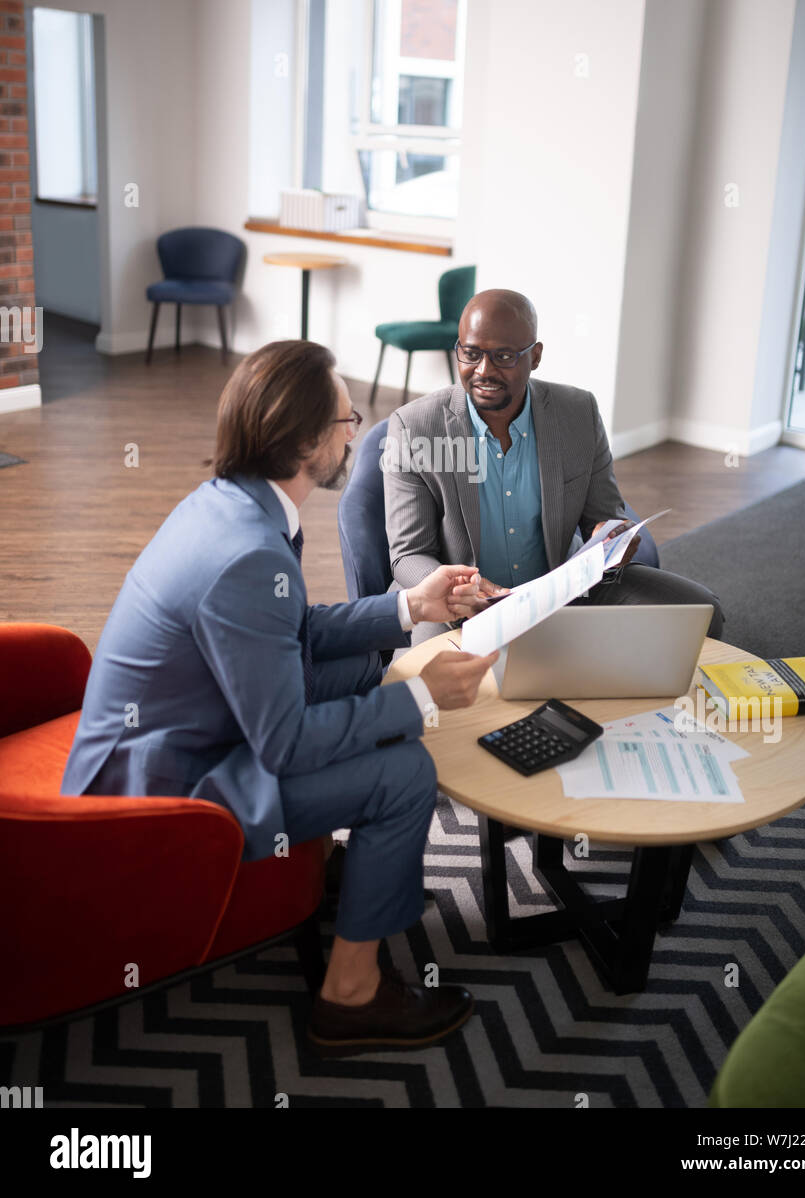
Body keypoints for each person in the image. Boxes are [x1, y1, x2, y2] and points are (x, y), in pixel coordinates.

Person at [61, 340, 498, 1054]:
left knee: (365, 668)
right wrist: (421, 696)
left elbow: (287, 630)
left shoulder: (236, 506)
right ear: (302, 442)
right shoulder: (247, 553)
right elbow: (285, 743)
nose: (354, 429)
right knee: (407, 773)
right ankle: (351, 996)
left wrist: (409, 606)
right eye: (344, 419)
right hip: (161, 788)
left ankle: (340, 873)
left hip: (195, 724)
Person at [383, 289, 724, 643]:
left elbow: (604, 517)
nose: (484, 370)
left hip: (563, 596)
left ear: (536, 356)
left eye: (503, 356)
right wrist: (458, 589)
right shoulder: (414, 428)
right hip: (455, 605)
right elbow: (409, 555)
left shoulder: (578, 413)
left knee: (701, 613)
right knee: (424, 687)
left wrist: (611, 537)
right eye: (471, 354)